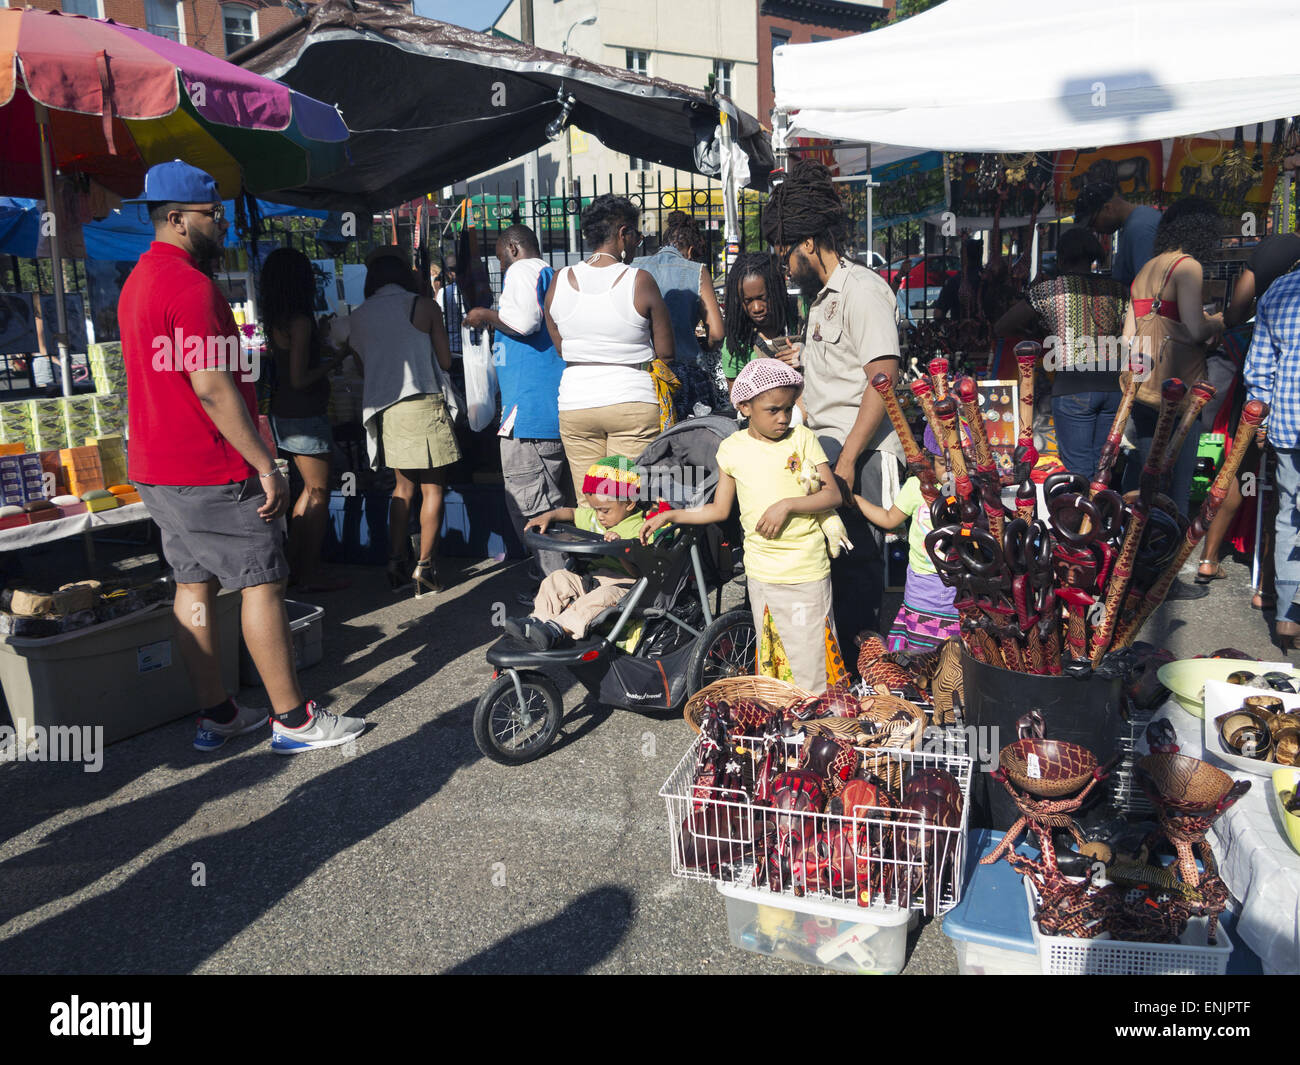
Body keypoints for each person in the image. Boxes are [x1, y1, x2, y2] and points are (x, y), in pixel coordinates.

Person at [119, 160, 362, 754]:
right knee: (262, 582)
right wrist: (264, 464)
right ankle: (294, 720)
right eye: (213, 215)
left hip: (158, 468)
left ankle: (219, 713)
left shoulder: (138, 283)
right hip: (208, 466)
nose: (223, 225)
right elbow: (211, 386)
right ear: (175, 219)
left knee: (193, 585)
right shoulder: (189, 286)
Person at [760, 159, 904, 650]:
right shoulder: (819, 297)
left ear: (807, 243)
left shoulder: (862, 290)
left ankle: (866, 670)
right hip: (828, 451)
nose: (782, 264)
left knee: (861, 566)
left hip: (860, 455)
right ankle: (838, 666)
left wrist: (844, 462)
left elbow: (882, 381)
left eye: (784, 252)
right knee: (832, 564)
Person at [642, 359, 849, 694]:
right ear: (744, 407)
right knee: (774, 652)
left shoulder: (804, 440)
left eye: (788, 408)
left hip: (806, 569)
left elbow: (832, 494)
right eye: (773, 410)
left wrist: (788, 504)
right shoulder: (733, 449)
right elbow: (719, 509)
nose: (783, 418)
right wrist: (672, 515)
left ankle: (819, 723)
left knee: (813, 656)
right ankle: (784, 721)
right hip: (762, 573)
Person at [336, 245, 459, 597]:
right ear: (406, 274)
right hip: (423, 403)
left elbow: (363, 368)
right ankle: (425, 568)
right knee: (432, 489)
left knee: (402, 489)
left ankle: (394, 563)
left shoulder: (358, 316)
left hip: (385, 411)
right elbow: (446, 362)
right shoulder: (423, 306)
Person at [545, 194, 675, 497]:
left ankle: (595, 543)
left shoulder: (559, 280)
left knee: (591, 501)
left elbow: (562, 348)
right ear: (622, 234)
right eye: (636, 235)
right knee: (623, 499)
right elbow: (667, 352)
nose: (636, 244)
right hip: (631, 402)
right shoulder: (639, 280)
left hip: (576, 403)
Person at [464, 225, 569, 579]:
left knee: (533, 509)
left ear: (513, 247)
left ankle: (556, 591)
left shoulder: (523, 270)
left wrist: (484, 315)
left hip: (528, 419)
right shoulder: (550, 275)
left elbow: (522, 324)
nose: (501, 266)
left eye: (499, 259)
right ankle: (568, 585)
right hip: (550, 413)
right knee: (556, 506)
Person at [994, 227, 1128, 478]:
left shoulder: (1050, 290)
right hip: (1113, 384)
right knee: (1104, 465)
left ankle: (1085, 515)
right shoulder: (1118, 290)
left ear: (1062, 257)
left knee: (1078, 469)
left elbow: (1002, 326)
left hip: (1074, 385)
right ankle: (1104, 513)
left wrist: (1037, 329)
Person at [1122, 196, 1225, 515]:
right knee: (1177, 486)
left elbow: (1127, 337)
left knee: (1146, 481)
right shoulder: (1188, 267)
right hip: (1180, 391)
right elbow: (1195, 329)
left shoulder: (1145, 271)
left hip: (1142, 388)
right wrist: (1220, 320)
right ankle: (1168, 556)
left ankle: (1137, 549)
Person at [259, 247, 349, 593]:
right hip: (304, 413)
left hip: (286, 414)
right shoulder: (299, 320)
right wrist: (335, 359)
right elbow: (300, 377)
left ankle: (295, 568)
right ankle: (309, 571)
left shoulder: (280, 319)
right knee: (319, 492)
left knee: (308, 491)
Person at [504, 456, 649, 649]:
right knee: (556, 578)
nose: (599, 516)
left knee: (599, 599)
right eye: (595, 509)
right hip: (591, 577)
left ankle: (558, 629)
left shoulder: (639, 528)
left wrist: (620, 550)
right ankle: (537, 622)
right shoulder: (596, 518)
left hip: (624, 585)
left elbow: (638, 573)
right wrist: (549, 515)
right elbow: (572, 513)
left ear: (629, 503)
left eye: (605, 510)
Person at [854, 427, 961, 654]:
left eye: (957, 463)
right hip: (922, 582)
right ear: (930, 460)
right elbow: (889, 519)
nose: (950, 471)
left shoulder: (971, 491)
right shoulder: (916, 488)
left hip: (960, 585)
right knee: (920, 645)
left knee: (955, 647)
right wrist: (857, 501)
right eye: (943, 463)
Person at [1245, 260, 1300, 648]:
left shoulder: (1278, 290)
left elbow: (1260, 370)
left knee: (1289, 517)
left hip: (1289, 423)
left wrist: (1261, 423)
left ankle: (1287, 618)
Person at [632, 211, 724, 414]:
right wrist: (703, 344)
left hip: (641, 376)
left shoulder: (634, 267)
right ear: (690, 250)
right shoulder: (697, 270)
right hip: (684, 374)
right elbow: (717, 334)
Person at [720, 251, 794, 393]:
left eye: (763, 298)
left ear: (776, 290)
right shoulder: (737, 340)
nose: (756, 308)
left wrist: (806, 356)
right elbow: (737, 397)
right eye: (747, 301)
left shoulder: (800, 316)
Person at [1074, 182, 1161, 286]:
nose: (1094, 230)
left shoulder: (1139, 229)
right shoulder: (1134, 223)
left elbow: (1150, 288)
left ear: (1108, 209)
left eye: (1093, 223)